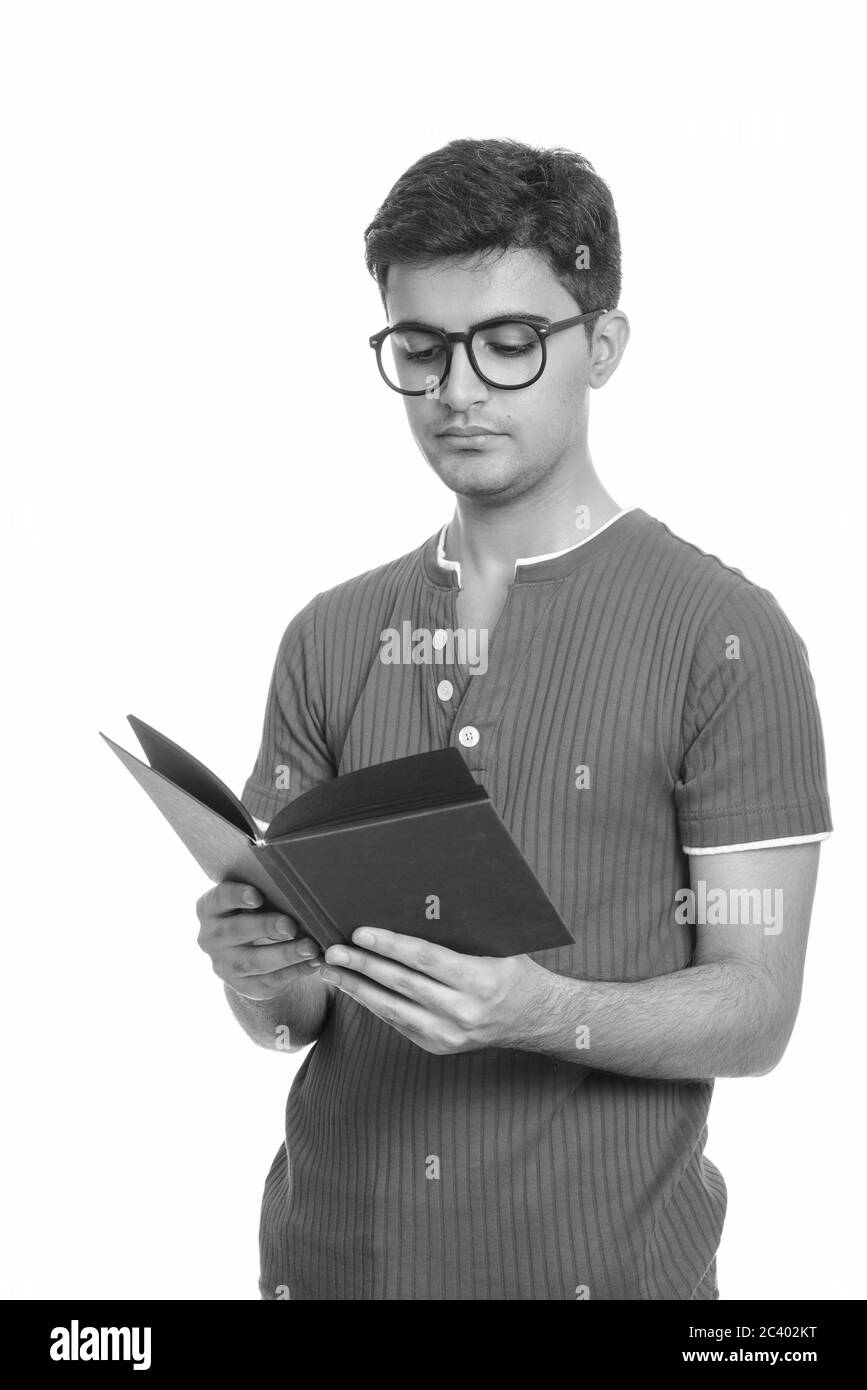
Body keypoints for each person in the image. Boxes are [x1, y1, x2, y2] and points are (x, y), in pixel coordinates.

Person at [195, 137, 832, 1300]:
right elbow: (292, 1016)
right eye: (421, 347)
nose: (458, 389)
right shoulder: (329, 635)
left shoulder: (725, 636)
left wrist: (544, 1011)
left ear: (602, 346)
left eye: (509, 342)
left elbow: (757, 1010)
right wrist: (254, 970)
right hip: (328, 1269)